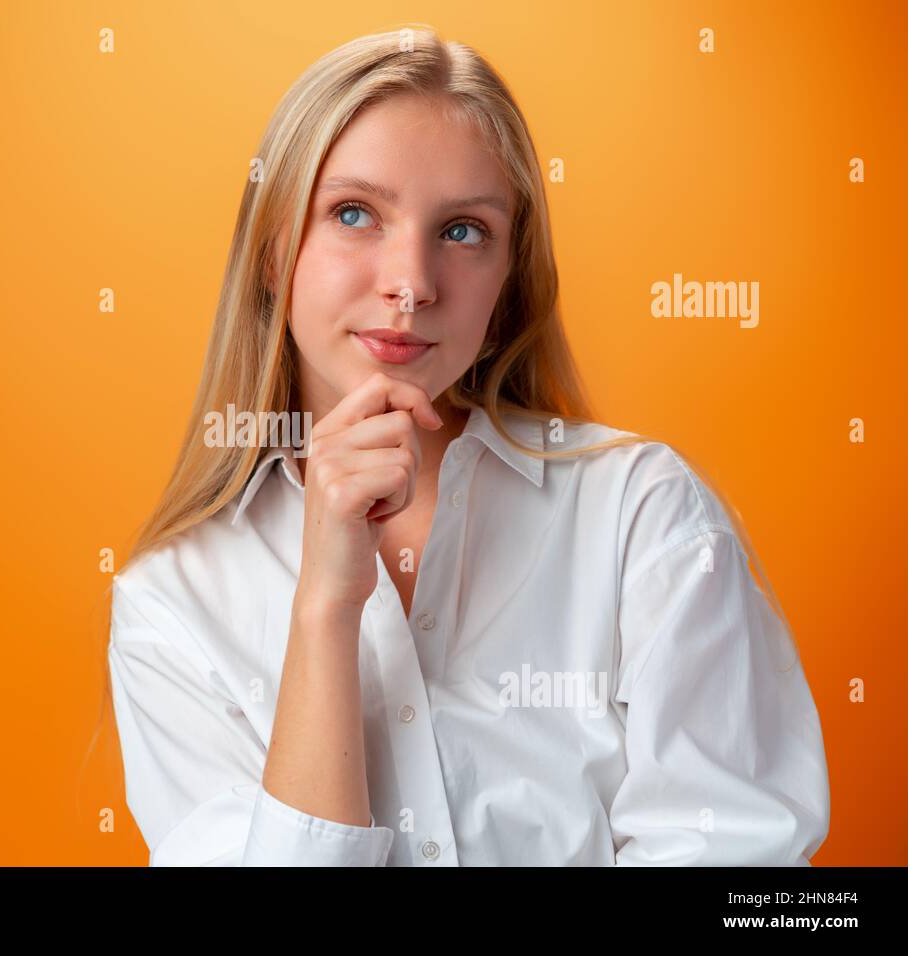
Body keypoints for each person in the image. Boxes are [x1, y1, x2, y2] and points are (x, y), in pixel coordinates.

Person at [100, 25, 830, 866]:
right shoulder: (172, 604)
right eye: (352, 213)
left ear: (508, 273)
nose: (411, 283)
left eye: (463, 231)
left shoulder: (642, 518)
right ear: (272, 253)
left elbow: (746, 867)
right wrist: (325, 612)